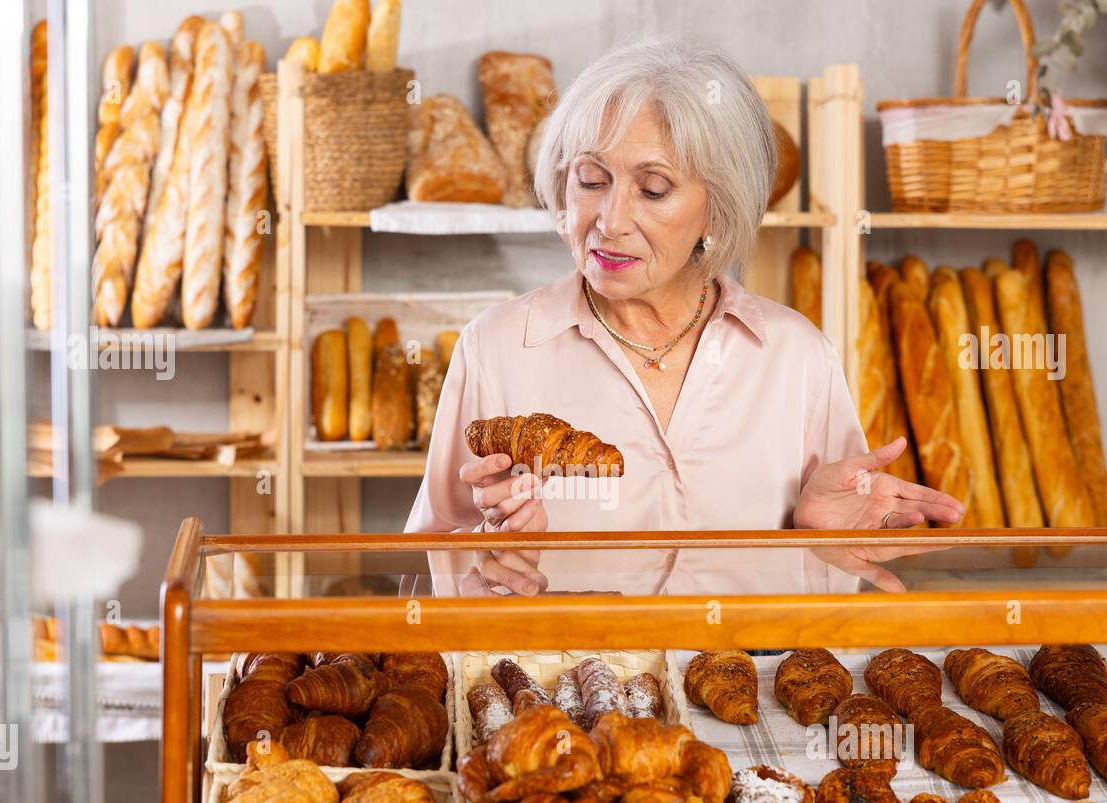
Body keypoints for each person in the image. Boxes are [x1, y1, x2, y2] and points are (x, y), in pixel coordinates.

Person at [405, 38, 962, 536]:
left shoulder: (796, 356)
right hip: (565, 658)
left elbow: (825, 614)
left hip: (748, 657)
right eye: (591, 180)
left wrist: (814, 536)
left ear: (718, 208)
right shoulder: (497, 349)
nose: (610, 219)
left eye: (653, 190)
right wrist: (489, 556)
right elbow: (418, 585)